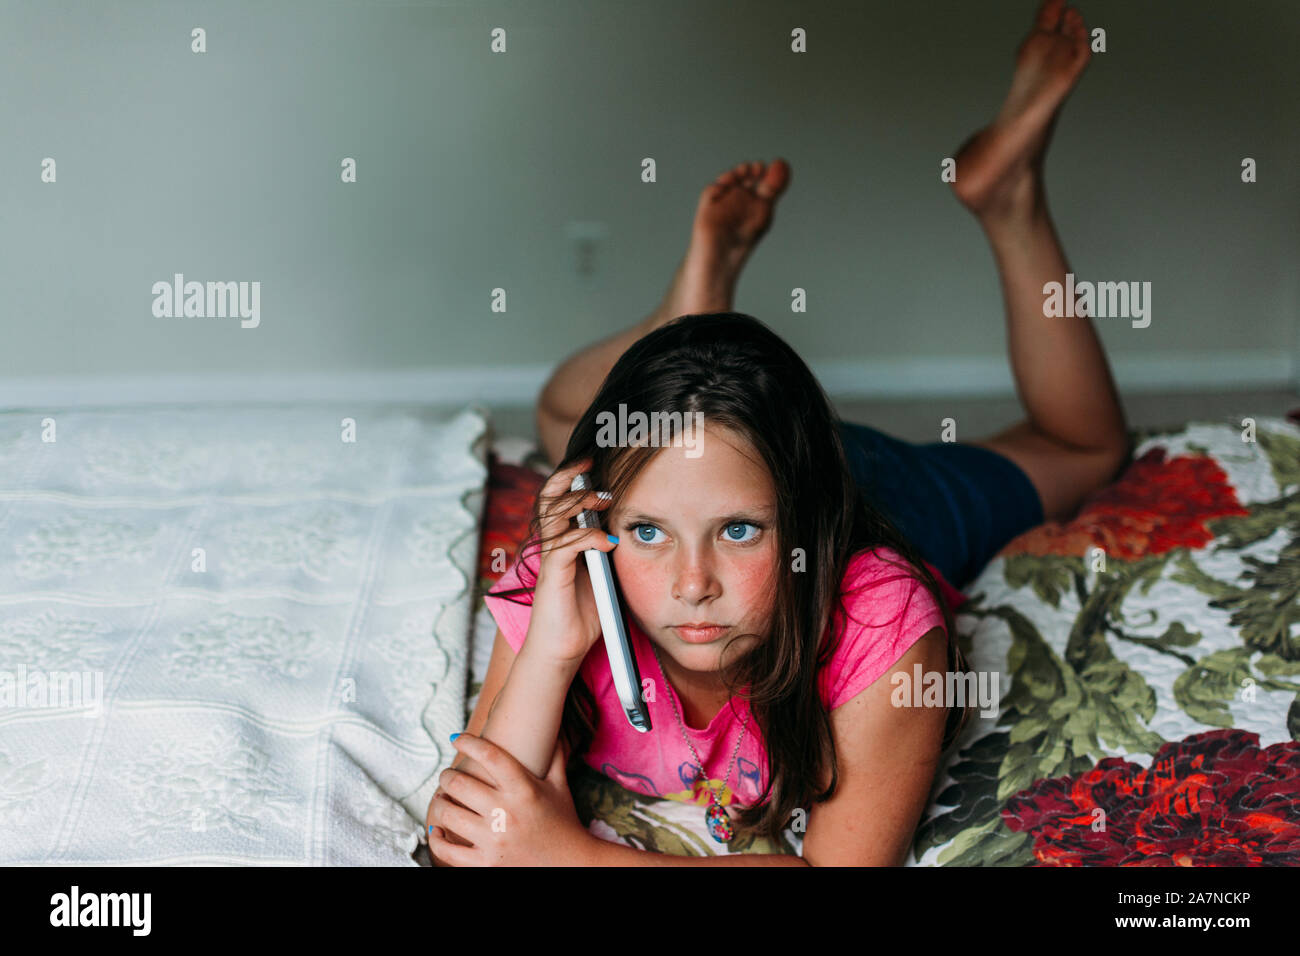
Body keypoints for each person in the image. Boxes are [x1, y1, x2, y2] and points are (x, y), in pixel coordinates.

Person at [427, 0, 1130, 866]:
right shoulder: (573, 566)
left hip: (860, 483)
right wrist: (551, 647)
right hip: (718, 456)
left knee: (1085, 447)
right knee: (562, 420)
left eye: (738, 533)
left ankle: (1008, 199)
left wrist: (568, 856)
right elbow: (462, 838)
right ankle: (691, 330)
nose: (692, 585)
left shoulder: (881, 623)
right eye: (645, 534)